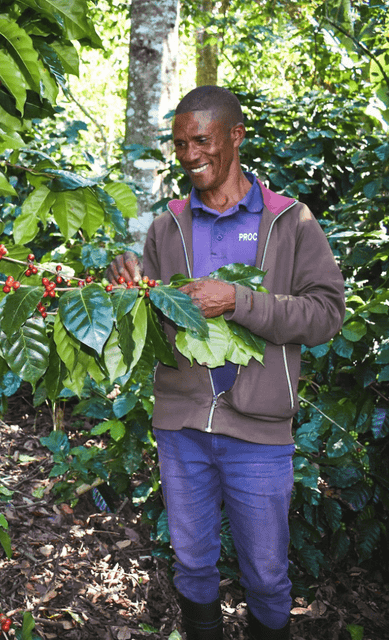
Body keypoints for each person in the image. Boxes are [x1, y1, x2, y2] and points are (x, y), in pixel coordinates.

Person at [106, 86, 345, 640]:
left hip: (259, 431)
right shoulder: (168, 226)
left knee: (265, 575)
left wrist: (238, 301)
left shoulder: (290, 221)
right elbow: (154, 318)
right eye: (180, 143)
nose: (190, 155)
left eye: (202, 141)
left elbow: (326, 314)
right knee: (191, 566)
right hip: (182, 426)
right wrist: (131, 289)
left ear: (235, 136)